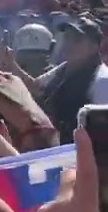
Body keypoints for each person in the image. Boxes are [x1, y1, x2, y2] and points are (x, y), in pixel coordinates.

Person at [28, 14, 108, 142]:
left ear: (94, 47)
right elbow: (36, 87)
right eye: (67, 38)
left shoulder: (103, 80)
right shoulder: (63, 68)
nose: (68, 44)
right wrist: (11, 64)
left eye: (77, 40)